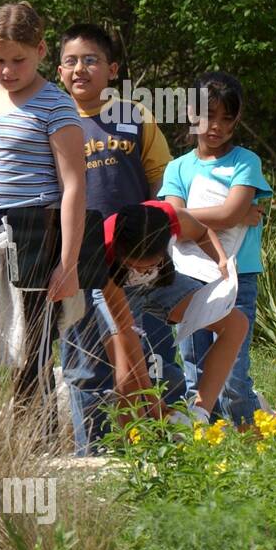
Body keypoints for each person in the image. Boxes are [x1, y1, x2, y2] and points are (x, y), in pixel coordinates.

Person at [0, 2, 85, 411]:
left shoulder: (55, 106)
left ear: (41, 50)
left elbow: (74, 185)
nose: (7, 70)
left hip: (33, 231)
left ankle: (34, 444)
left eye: (18, 60)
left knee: (30, 350)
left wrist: (69, 262)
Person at [55, 22, 180, 453]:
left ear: (112, 69)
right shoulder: (53, 117)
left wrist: (155, 242)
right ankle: (94, 453)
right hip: (78, 260)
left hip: (135, 258)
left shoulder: (133, 115)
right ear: (58, 70)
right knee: (86, 362)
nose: (80, 69)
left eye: (91, 60)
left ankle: (160, 447)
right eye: (71, 61)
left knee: (151, 352)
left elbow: (162, 184)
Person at [160, 71, 271, 426]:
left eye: (226, 118)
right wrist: (230, 215)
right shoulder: (177, 168)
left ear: (237, 119)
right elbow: (175, 223)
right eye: (208, 116)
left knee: (234, 373)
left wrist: (227, 215)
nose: (216, 126)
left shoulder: (246, 162)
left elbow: (226, 212)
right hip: (190, 277)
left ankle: (249, 435)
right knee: (194, 364)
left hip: (239, 275)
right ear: (191, 112)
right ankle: (203, 439)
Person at [93, 201, 247, 426]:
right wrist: (151, 396)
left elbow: (202, 232)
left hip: (162, 284)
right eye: (135, 266)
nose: (143, 272)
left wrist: (221, 260)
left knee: (236, 324)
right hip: (117, 290)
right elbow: (126, 331)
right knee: (127, 377)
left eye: (150, 265)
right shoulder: (103, 249)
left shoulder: (171, 219)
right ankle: (134, 449)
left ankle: (199, 416)